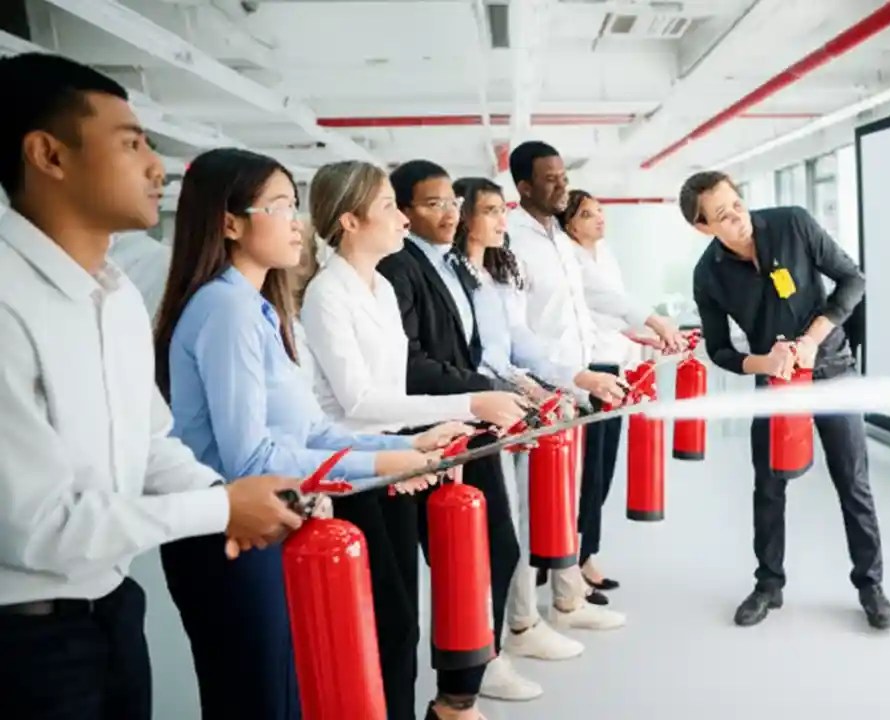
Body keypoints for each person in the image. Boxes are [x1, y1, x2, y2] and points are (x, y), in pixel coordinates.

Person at [0, 52, 302, 720]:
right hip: (22, 636)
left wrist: (240, 500)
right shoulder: (7, 302)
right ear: (48, 154)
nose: (155, 167)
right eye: (131, 143)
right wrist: (223, 510)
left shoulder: (113, 296)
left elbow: (152, 442)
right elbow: (38, 530)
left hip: (112, 605)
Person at [152, 147, 446, 720]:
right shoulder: (225, 310)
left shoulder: (256, 308)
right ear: (230, 223)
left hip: (265, 529)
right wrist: (385, 466)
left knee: (287, 695)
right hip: (231, 537)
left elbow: (311, 428)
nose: (298, 222)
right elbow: (251, 457)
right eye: (281, 206)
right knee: (260, 701)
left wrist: (407, 446)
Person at [299, 160, 528, 718]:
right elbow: (358, 400)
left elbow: (393, 386)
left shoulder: (376, 285)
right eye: (387, 207)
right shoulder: (327, 294)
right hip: (354, 476)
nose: (400, 218)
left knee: (401, 623)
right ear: (350, 221)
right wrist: (468, 403)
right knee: (383, 627)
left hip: (393, 464)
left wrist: (429, 435)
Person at [679, 170, 890, 630]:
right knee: (769, 485)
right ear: (703, 227)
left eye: (737, 204)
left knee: (852, 482)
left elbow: (852, 279)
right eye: (723, 216)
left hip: (833, 371)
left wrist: (815, 337)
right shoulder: (708, 275)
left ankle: (871, 586)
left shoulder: (792, 224)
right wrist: (763, 363)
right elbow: (719, 350)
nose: (739, 218)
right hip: (775, 386)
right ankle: (768, 585)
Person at [453, 176, 632, 698]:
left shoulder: (497, 267)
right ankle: (507, 636)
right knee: (502, 533)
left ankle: (532, 620)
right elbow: (482, 356)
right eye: (488, 210)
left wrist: (565, 378)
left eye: (499, 209)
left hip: (528, 397)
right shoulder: (453, 274)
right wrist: (526, 382)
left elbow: (517, 342)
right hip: (485, 410)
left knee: (539, 516)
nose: (500, 219)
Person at [378, 159, 528, 720]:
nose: (448, 212)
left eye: (451, 202)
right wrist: (481, 389)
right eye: (432, 203)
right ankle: (457, 692)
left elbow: (471, 346)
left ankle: (462, 685)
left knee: (493, 551)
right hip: (427, 432)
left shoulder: (449, 265)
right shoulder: (400, 267)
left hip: (467, 422)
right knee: (462, 559)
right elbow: (412, 364)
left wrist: (501, 389)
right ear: (403, 212)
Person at [505, 140, 672, 633]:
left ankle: (568, 600)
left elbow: (597, 292)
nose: (562, 185)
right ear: (524, 187)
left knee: (568, 498)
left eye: (564, 175)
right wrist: (569, 375)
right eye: (550, 178)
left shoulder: (557, 237)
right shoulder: (513, 242)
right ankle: (521, 622)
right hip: (540, 389)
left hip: (577, 387)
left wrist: (649, 318)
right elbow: (518, 332)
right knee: (532, 510)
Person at [557, 187, 685, 589]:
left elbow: (616, 309)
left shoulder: (605, 254)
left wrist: (641, 339)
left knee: (604, 467)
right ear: (569, 224)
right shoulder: (570, 258)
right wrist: (654, 324)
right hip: (588, 371)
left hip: (615, 367)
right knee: (588, 471)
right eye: (588, 214)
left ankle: (583, 553)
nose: (599, 219)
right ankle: (575, 559)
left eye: (600, 211)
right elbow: (607, 300)